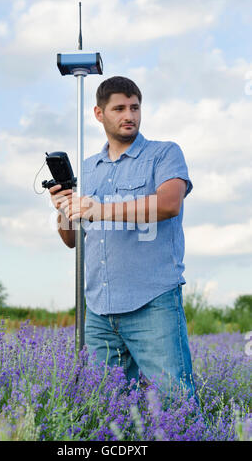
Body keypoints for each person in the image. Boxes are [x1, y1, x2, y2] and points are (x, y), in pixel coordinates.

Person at [50, 76, 198, 404]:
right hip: (100, 309)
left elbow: (169, 204)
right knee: (102, 406)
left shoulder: (164, 154)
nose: (128, 114)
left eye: (134, 107)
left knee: (177, 402)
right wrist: (63, 209)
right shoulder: (87, 170)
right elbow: (72, 240)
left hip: (152, 301)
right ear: (99, 114)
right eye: (119, 108)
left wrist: (99, 208)